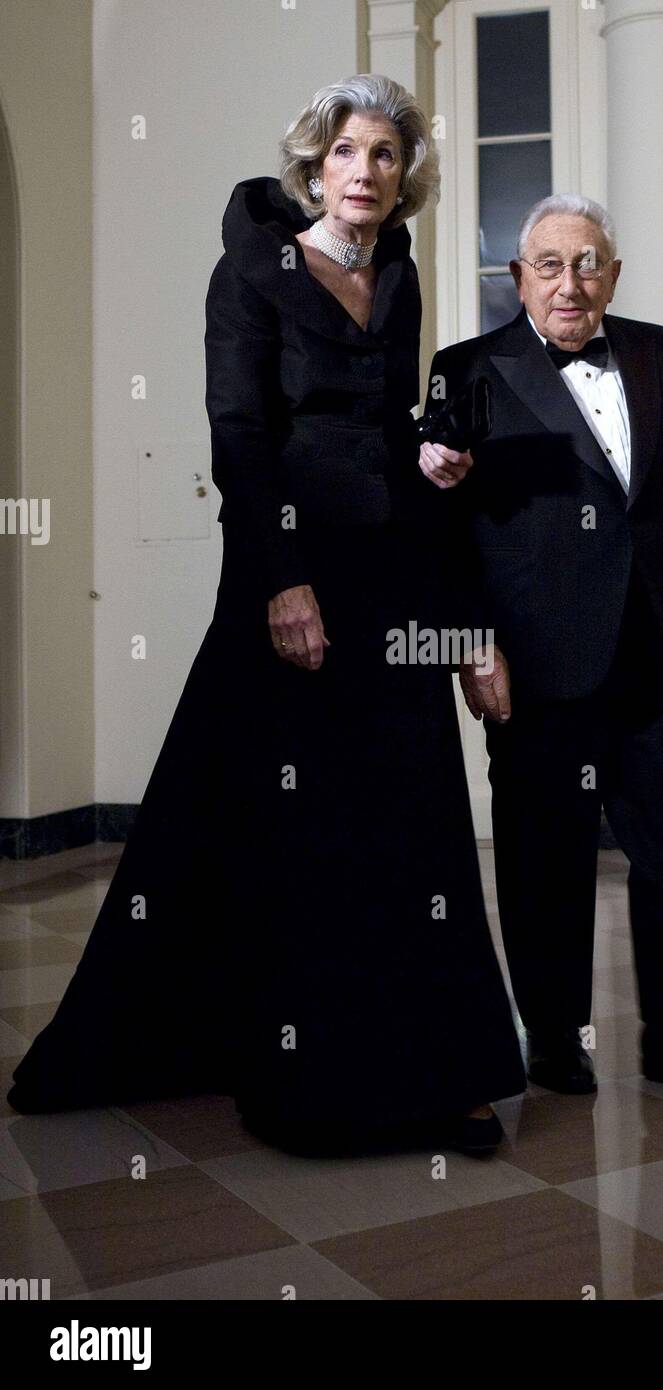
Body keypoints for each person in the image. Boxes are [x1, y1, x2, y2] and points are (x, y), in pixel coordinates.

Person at [7, 75, 526, 1154]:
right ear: (313, 167)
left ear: (404, 174)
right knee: (297, 823)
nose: (366, 171)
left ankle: (438, 1069)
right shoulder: (249, 269)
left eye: (386, 154)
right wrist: (278, 582)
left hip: (388, 567)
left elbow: (391, 427)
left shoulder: (402, 273)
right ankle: (312, 1077)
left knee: (414, 816)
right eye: (348, 152)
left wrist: (428, 457)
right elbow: (238, 434)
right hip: (291, 562)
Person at [420, 193, 663, 1097]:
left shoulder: (661, 351)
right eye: (549, 264)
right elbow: (441, 527)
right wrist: (469, 644)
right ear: (518, 278)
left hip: (658, 646)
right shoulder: (468, 371)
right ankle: (551, 1036)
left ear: (612, 275)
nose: (570, 283)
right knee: (546, 854)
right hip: (539, 659)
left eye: (588, 265)